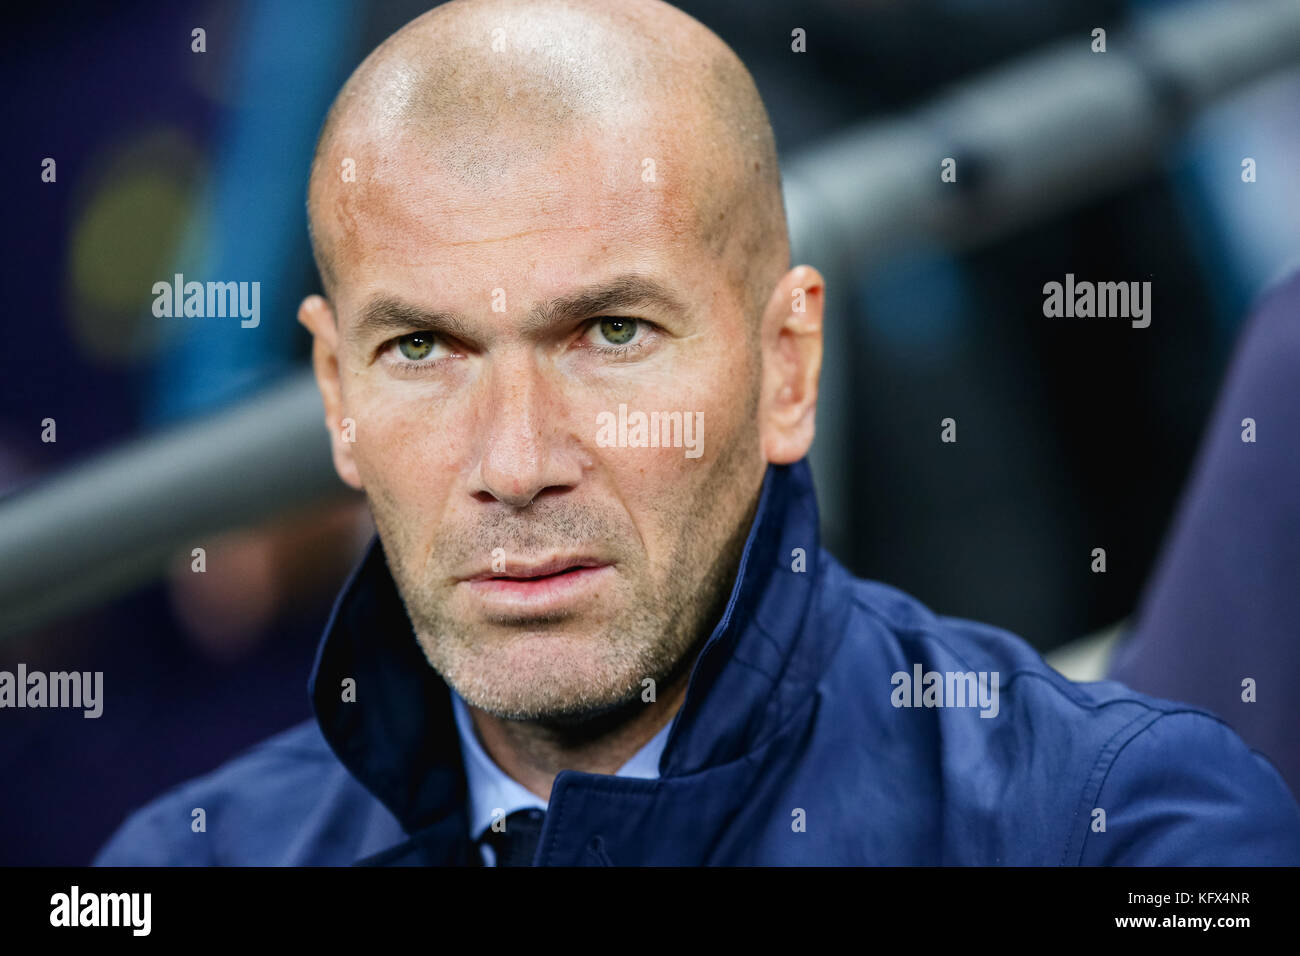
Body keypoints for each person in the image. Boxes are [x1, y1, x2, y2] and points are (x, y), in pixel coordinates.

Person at [95, 0, 1300, 866]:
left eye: (610, 333)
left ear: (787, 362)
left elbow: (1169, 346)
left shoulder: (1132, 820)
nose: (516, 460)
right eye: (422, 349)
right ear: (335, 395)